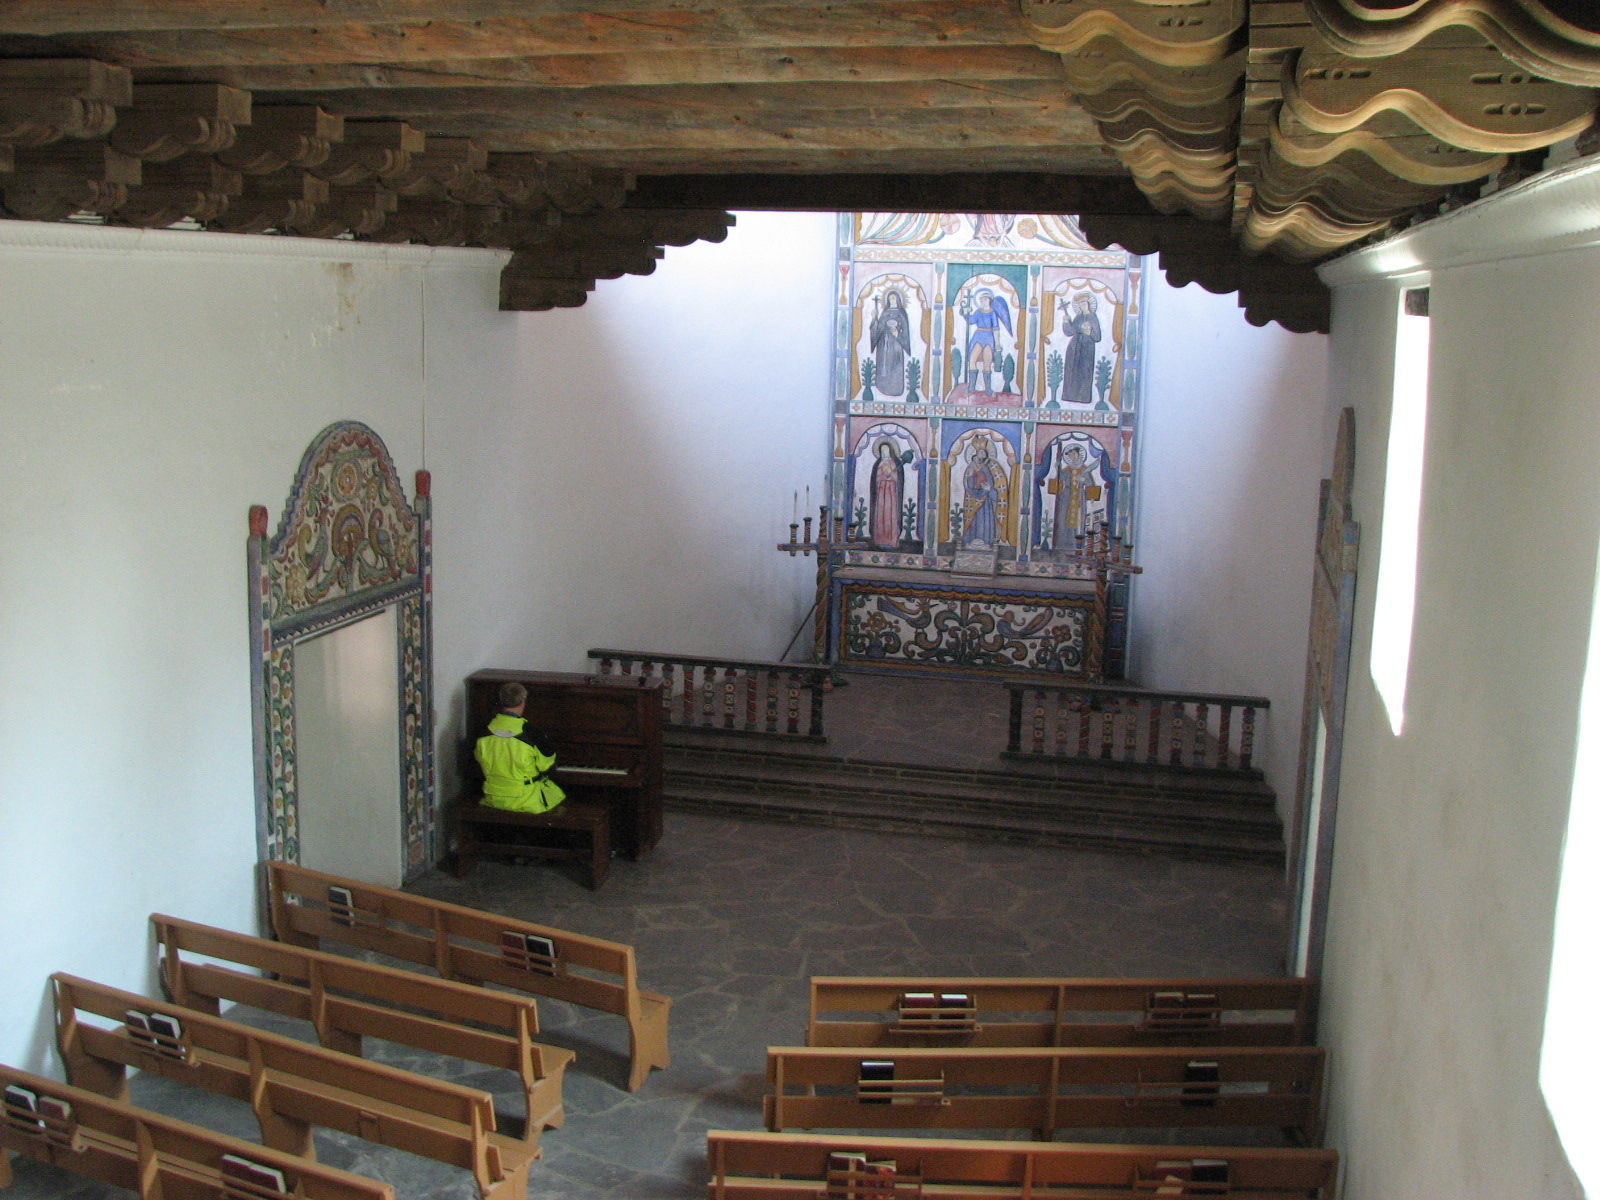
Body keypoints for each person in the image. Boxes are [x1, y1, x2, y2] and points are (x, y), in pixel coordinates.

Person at [476, 681, 566, 814]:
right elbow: (546, 766)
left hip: (493, 797)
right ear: (523, 701)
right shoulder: (531, 732)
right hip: (526, 800)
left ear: (501, 701)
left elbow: (479, 761)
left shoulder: (484, 731)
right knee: (559, 801)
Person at [868, 290, 911, 397]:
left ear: (897, 299)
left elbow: (905, 331)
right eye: (890, 298)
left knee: (895, 366)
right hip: (884, 344)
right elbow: (878, 329)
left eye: (893, 298)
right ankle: (882, 387)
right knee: (884, 366)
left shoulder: (901, 313)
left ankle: (895, 389)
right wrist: (874, 318)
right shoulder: (885, 312)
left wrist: (898, 335)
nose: (891, 300)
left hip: (896, 344)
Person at [1062, 292, 1102, 407]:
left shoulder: (1093, 318)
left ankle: (1083, 398)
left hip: (1087, 348)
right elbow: (1070, 331)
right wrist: (1066, 322)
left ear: (1088, 304)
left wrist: (1089, 332)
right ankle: (1070, 396)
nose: (1082, 306)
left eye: (1084, 303)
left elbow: (1097, 337)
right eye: (1080, 305)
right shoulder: (1078, 317)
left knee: (1085, 371)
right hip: (1074, 348)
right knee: (1071, 371)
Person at [870, 440, 904, 550]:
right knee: (881, 515)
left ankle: (891, 540)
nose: (885, 452)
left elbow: (897, 478)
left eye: (886, 450)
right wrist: (883, 477)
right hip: (881, 492)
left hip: (891, 493)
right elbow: (876, 478)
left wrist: (891, 476)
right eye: (883, 450)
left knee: (891, 515)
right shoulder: (879, 464)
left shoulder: (894, 463)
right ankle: (880, 539)